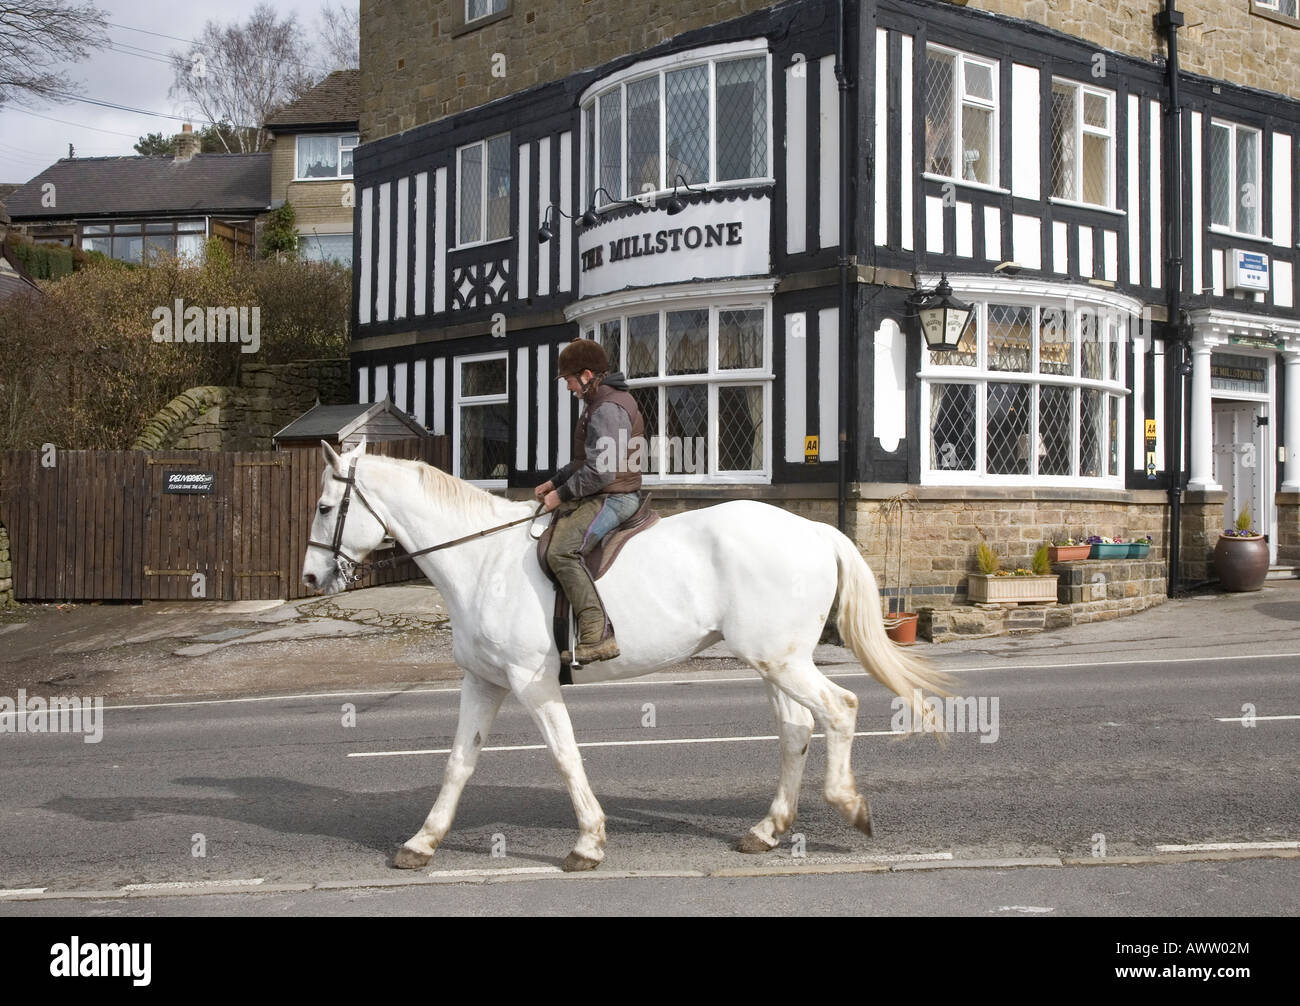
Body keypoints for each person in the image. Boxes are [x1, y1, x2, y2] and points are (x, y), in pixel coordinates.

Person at [535, 339, 644, 663]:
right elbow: (586, 461)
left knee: (561, 551)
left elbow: (601, 472)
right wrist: (555, 481)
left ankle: (597, 632)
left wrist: (561, 494)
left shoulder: (608, 408)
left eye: (568, 380)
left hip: (615, 497)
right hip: (604, 491)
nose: (568, 387)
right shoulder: (599, 403)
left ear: (585, 375)